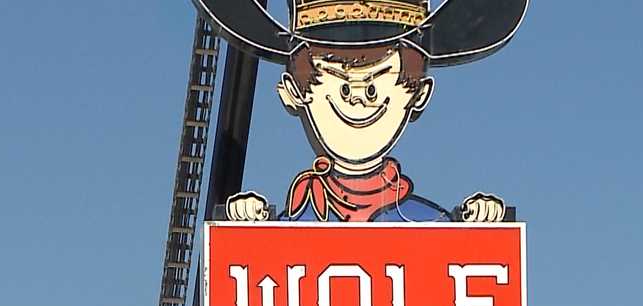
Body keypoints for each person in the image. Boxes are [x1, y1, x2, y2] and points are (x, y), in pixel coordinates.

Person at [197, 0, 524, 225]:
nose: (357, 100)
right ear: (293, 93)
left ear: (419, 93)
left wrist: (480, 224)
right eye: (339, 86)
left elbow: (460, 250)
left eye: (374, 88)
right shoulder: (302, 219)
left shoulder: (424, 222)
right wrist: (246, 221)